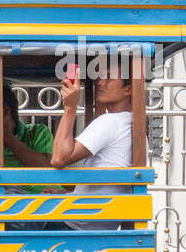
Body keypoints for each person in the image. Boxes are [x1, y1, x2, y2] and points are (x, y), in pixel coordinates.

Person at [51, 68, 137, 229]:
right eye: (100, 77)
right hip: (98, 221)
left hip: (76, 224)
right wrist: (67, 196)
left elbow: (58, 158)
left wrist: (70, 107)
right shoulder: (132, 124)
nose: (100, 82)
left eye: (109, 78)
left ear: (129, 89)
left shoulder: (111, 121)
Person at [0, 81, 54, 191]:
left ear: (5, 112)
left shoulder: (38, 133)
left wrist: (6, 137)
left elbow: (45, 169)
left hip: (43, 204)